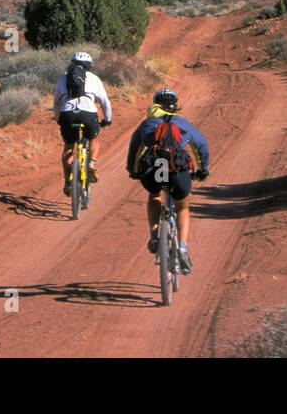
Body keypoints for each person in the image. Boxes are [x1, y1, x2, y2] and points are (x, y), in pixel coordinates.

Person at [126, 88, 210, 274]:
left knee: (155, 195)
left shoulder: (147, 124)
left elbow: (135, 149)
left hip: (158, 168)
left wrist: (132, 171)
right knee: (182, 206)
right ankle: (182, 248)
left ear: (155, 104)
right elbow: (201, 146)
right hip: (177, 170)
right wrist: (203, 169)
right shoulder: (183, 124)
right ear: (175, 106)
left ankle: (155, 235)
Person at [52, 51, 112, 195]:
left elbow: (55, 102)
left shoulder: (63, 78)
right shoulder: (94, 79)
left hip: (68, 114)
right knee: (93, 138)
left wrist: (58, 118)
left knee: (68, 148)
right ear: (89, 66)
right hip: (88, 114)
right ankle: (92, 162)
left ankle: (68, 183)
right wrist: (107, 119)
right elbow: (105, 101)